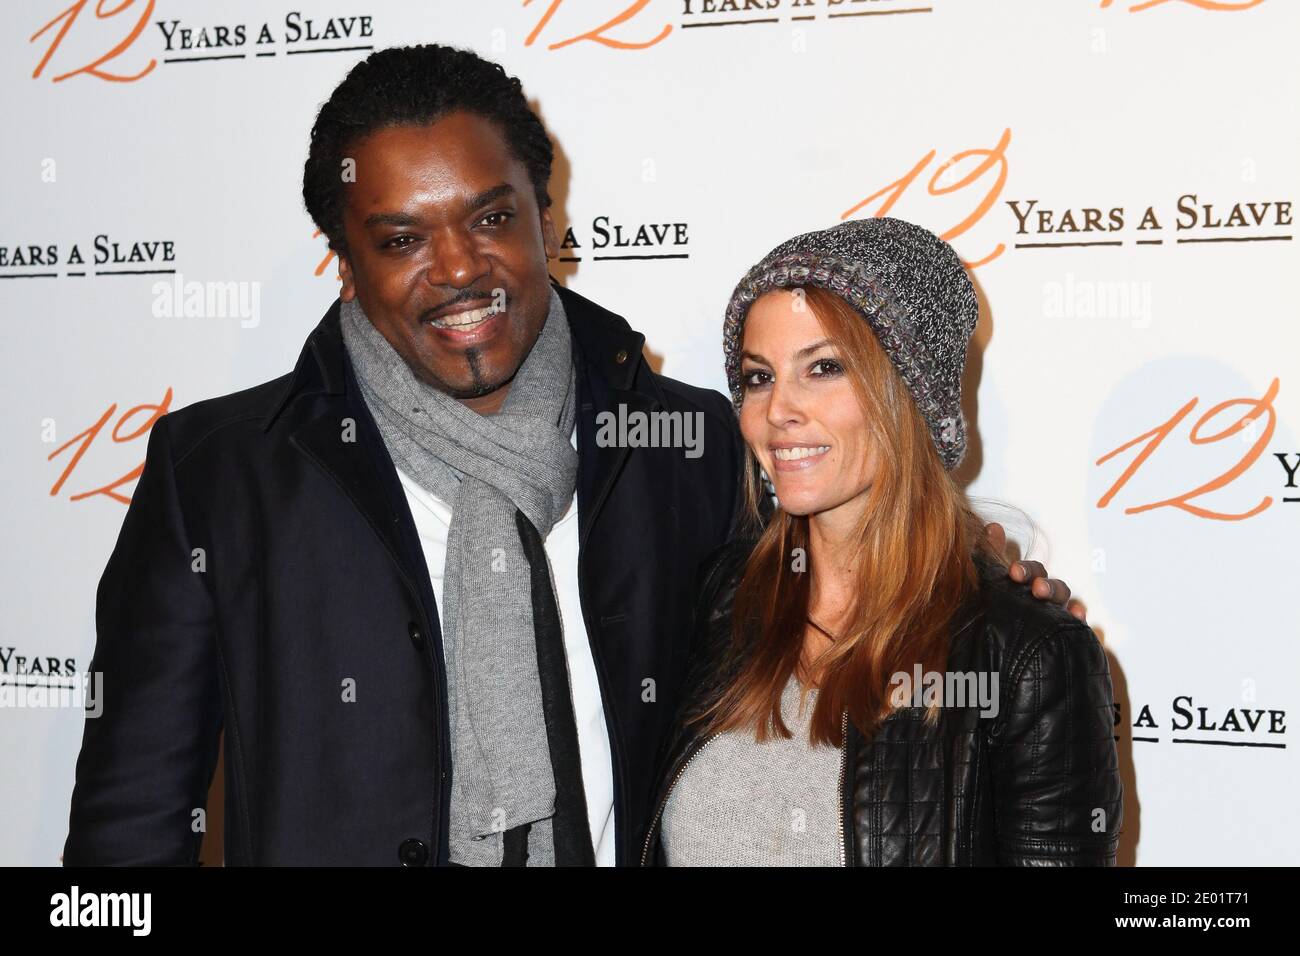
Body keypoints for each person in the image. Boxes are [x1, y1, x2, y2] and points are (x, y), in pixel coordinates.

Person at [62, 46, 1076, 867]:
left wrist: (986, 575)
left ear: (547, 218)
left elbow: (849, 566)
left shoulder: (685, 442)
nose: (460, 268)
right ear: (346, 262)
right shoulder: (225, 473)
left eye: (492, 217)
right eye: (401, 238)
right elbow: (129, 822)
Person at [641, 217, 1122, 866]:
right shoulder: (718, 603)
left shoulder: (1026, 656)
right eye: (758, 377)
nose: (778, 408)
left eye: (824, 367)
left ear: (910, 395)